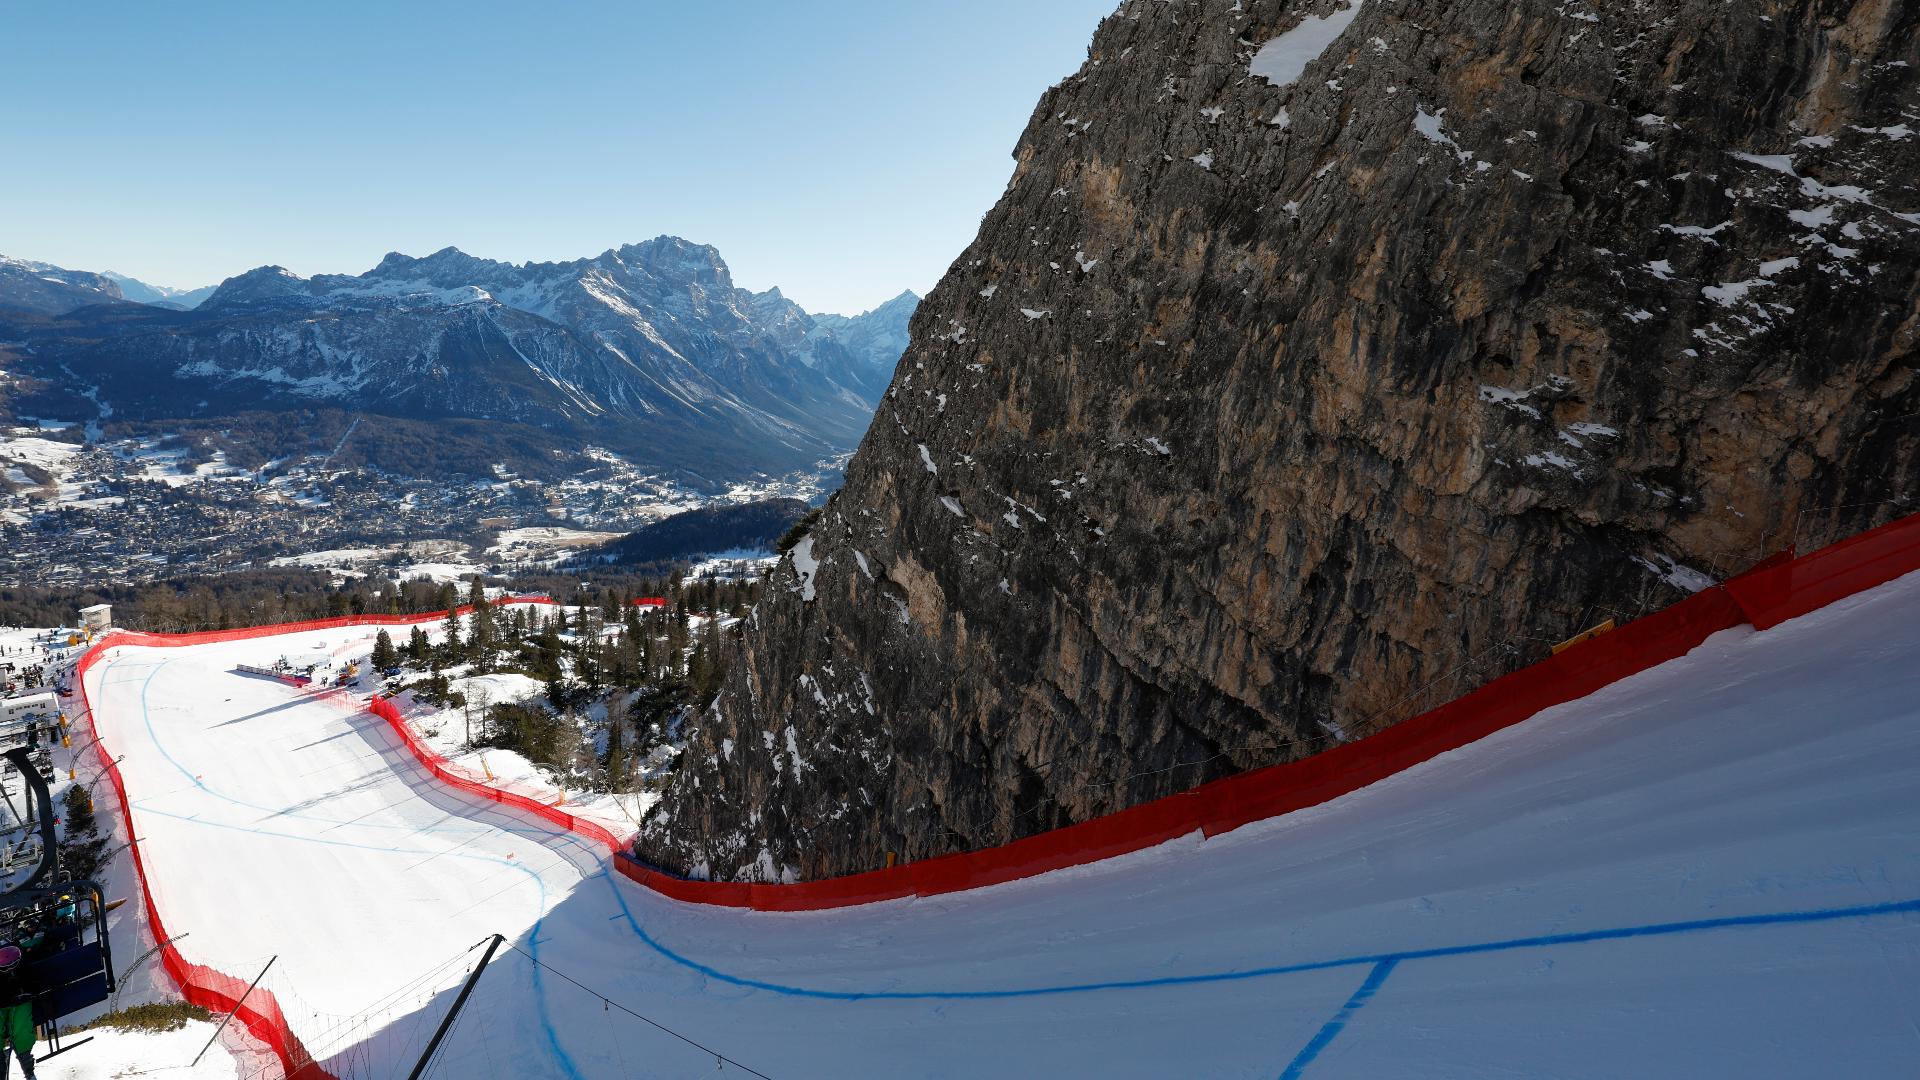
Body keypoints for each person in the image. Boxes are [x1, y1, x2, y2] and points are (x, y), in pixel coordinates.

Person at [0, 944, 33, 1079]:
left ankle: (26, 1064)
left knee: (21, 1026)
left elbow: (32, 983)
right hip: (5, 1005)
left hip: (19, 1004)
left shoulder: (24, 970)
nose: (9, 970)